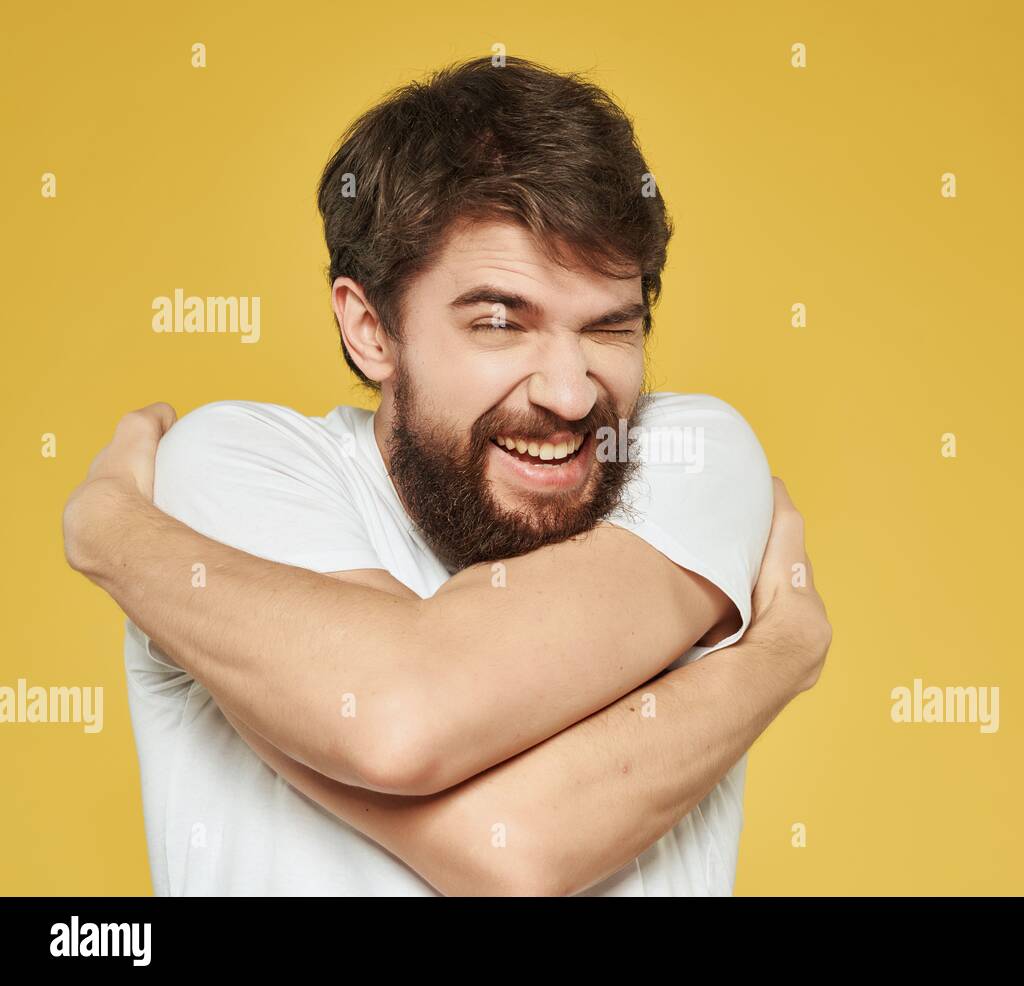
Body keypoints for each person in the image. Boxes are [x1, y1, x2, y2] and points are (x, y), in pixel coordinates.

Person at [60, 55, 831, 896]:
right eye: (503, 323)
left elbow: (472, 805)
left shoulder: (685, 452)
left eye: (610, 328)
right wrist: (774, 658)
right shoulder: (233, 466)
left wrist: (114, 536)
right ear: (370, 330)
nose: (571, 394)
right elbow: (426, 745)